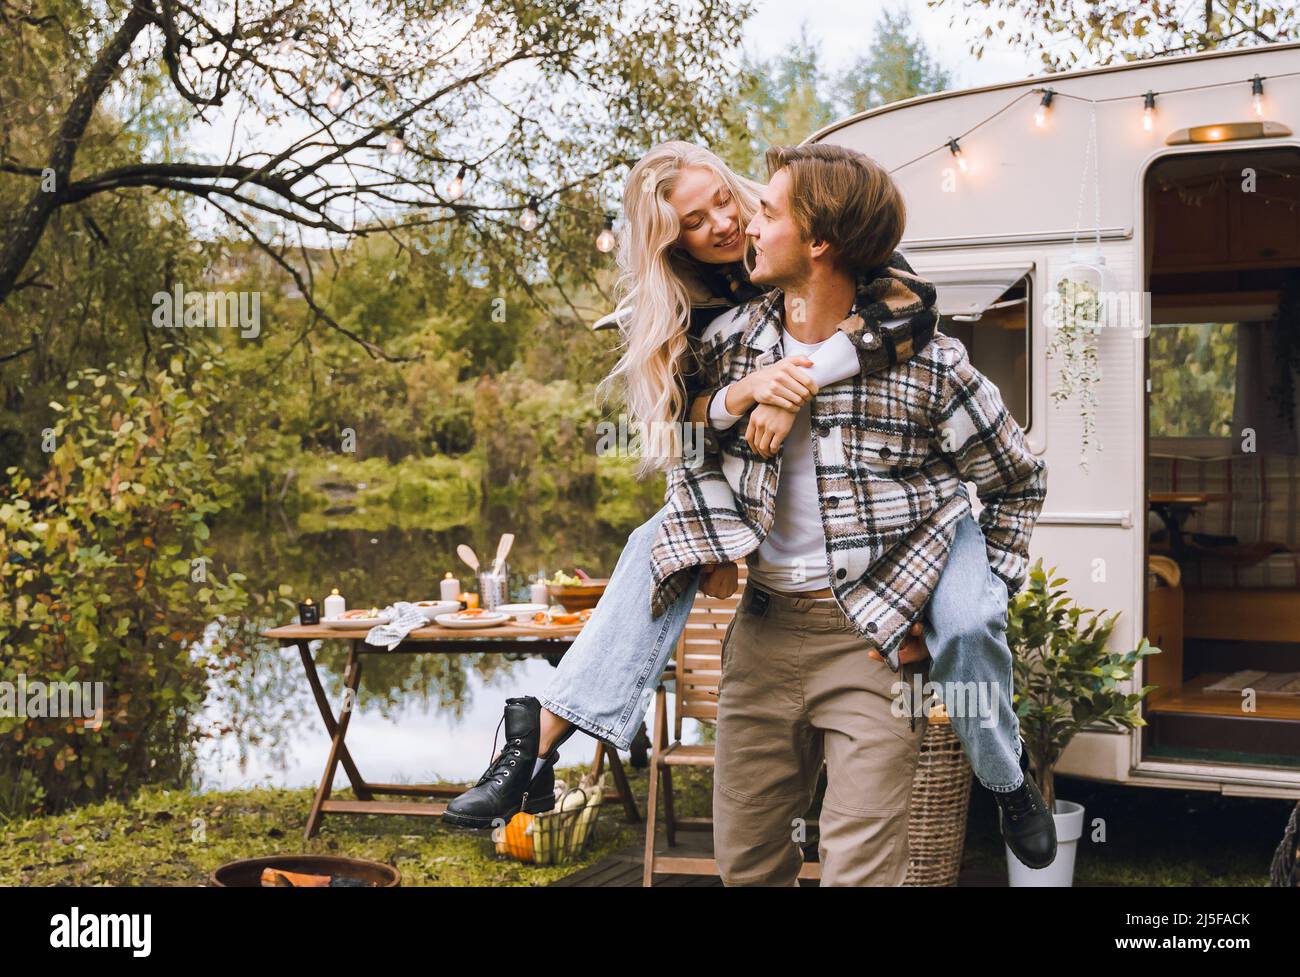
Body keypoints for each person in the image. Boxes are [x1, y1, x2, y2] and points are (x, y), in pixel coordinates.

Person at [442, 141, 1055, 874]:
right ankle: (541, 729)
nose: (738, 225)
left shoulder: (924, 358)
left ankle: (1004, 771)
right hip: (762, 635)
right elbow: (683, 441)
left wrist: (948, 596)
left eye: (751, 207)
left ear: (817, 238)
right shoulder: (721, 340)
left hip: (870, 640)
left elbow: (1015, 477)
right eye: (696, 222)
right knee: (747, 865)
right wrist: (742, 411)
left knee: (872, 858)